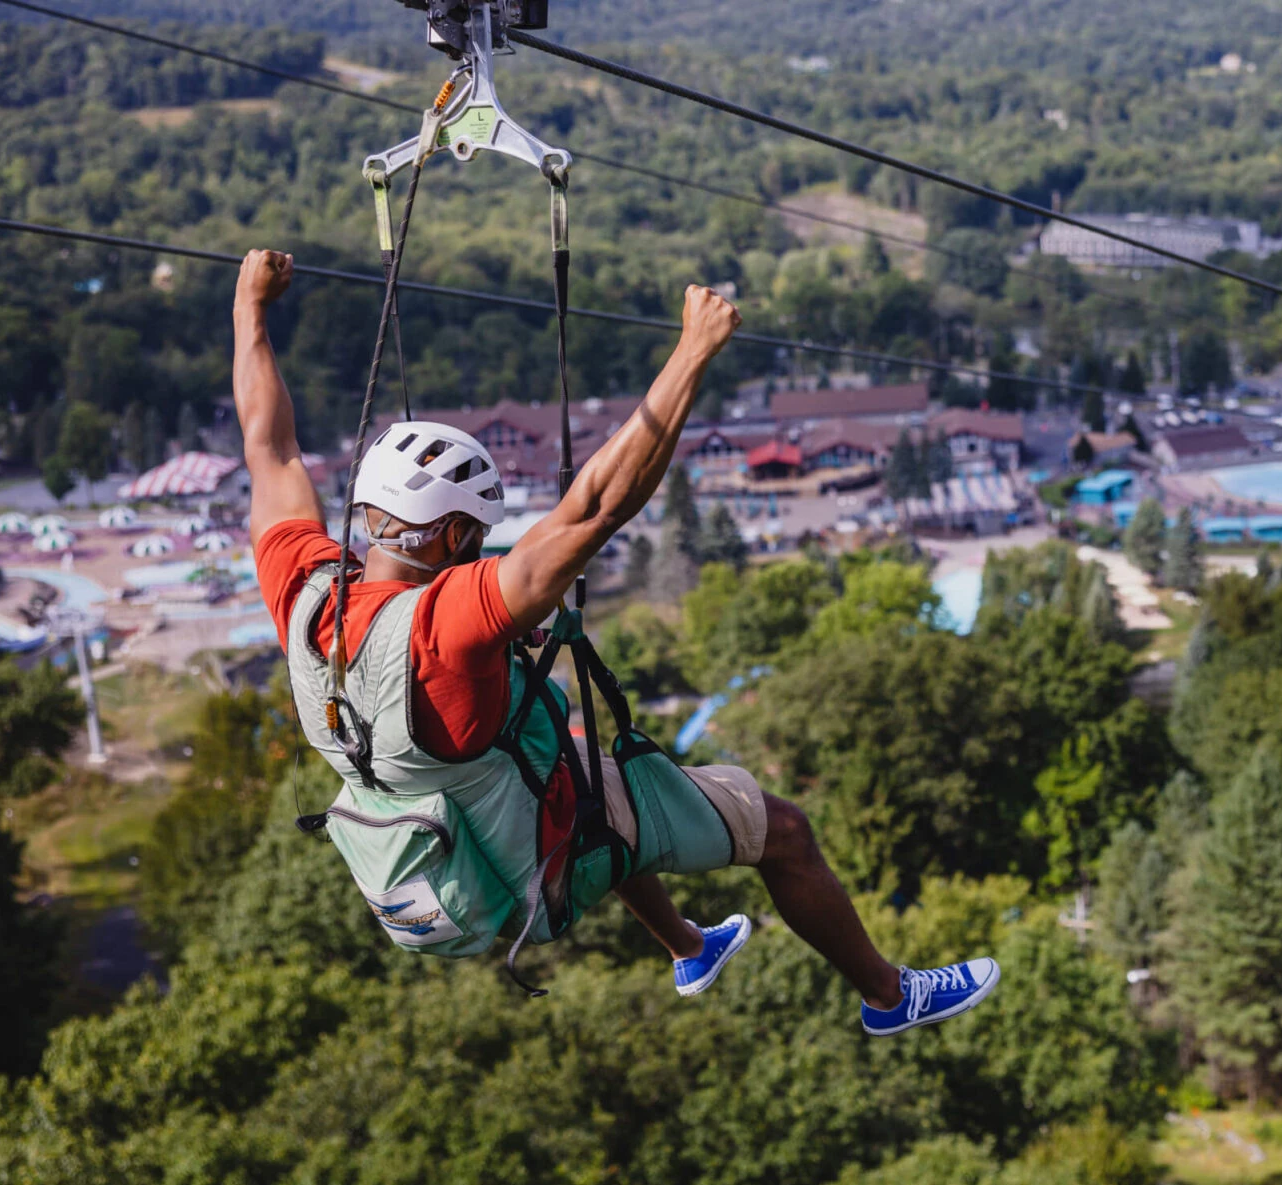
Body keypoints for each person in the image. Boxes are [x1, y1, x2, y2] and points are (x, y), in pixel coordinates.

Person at [234, 248, 996, 1035]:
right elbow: (595, 507)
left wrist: (247, 308)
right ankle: (888, 995)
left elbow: (270, 448)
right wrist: (693, 349)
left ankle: (687, 945)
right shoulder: (448, 622)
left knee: (572, 734)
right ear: (455, 532)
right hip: (538, 858)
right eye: (477, 535)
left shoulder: (305, 589)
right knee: (785, 833)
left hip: (443, 842)